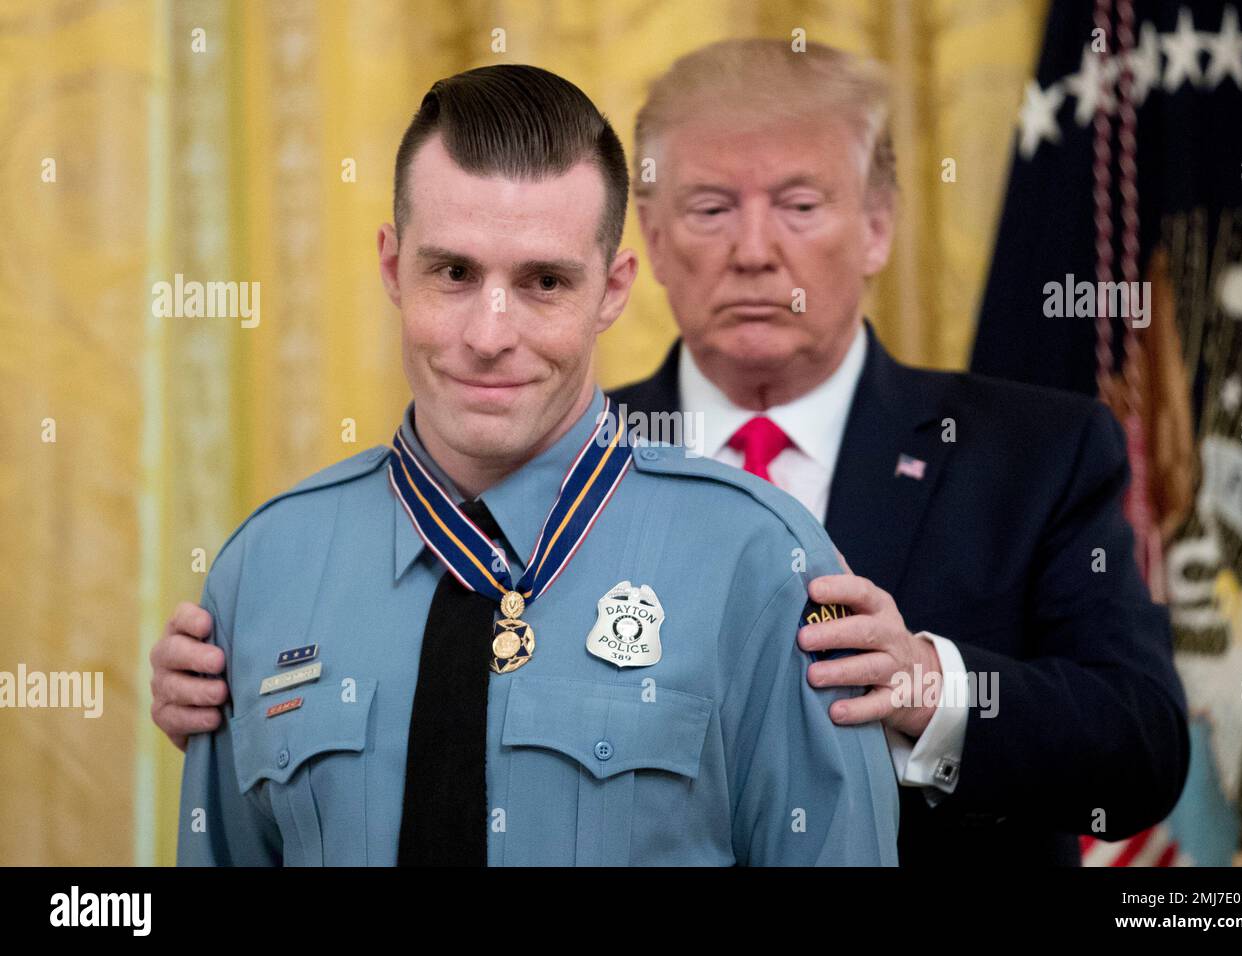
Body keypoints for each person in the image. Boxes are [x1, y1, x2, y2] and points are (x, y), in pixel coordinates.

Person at [158, 38, 1189, 866]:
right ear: (642, 241)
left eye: (797, 203)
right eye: (708, 206)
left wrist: (932, 687)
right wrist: (274, 676)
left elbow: (1141, 745)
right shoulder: (513, 433)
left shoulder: (1032, 452)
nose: (752, 249)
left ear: (876, 227)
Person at [175, 63, 898, 866]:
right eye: (453, 273)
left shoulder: (763, 565)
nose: (489, 336)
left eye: (544, 282)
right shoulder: (262, 571)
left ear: (613, 290)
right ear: (391, 267)